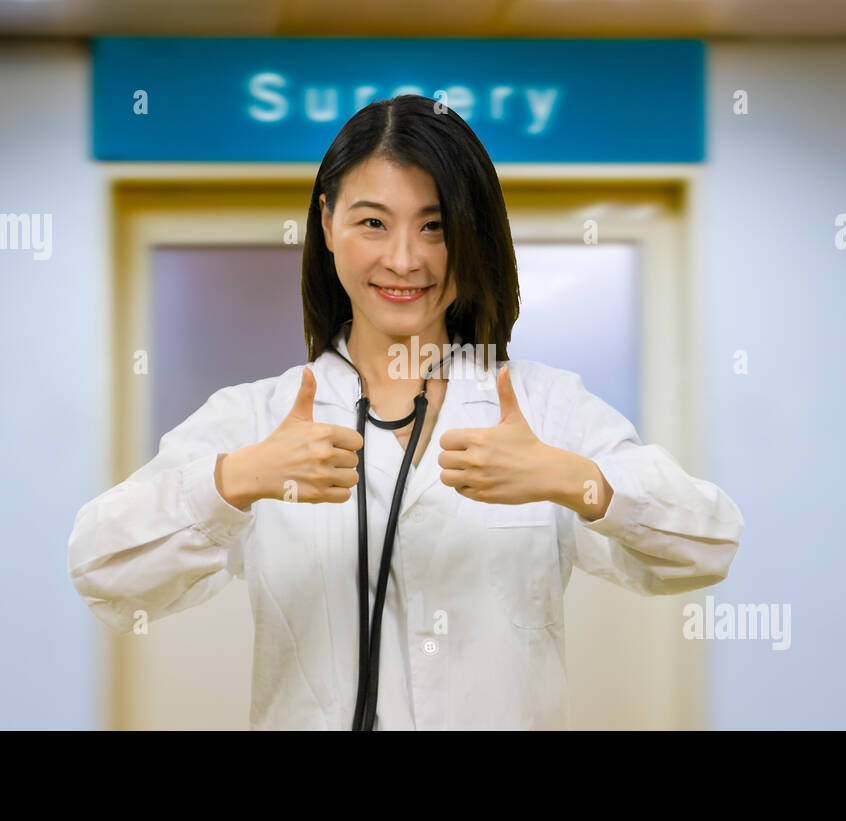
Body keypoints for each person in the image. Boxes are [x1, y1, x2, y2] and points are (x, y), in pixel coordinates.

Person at [67, 94, 744, 730]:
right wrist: (234, 480)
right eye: (372, 222)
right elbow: (101, 567)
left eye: (436, 226)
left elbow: (708, 543)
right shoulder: (258, 417)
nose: (405, 259)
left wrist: (573, 477)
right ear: (327, 222)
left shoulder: (543, 407)